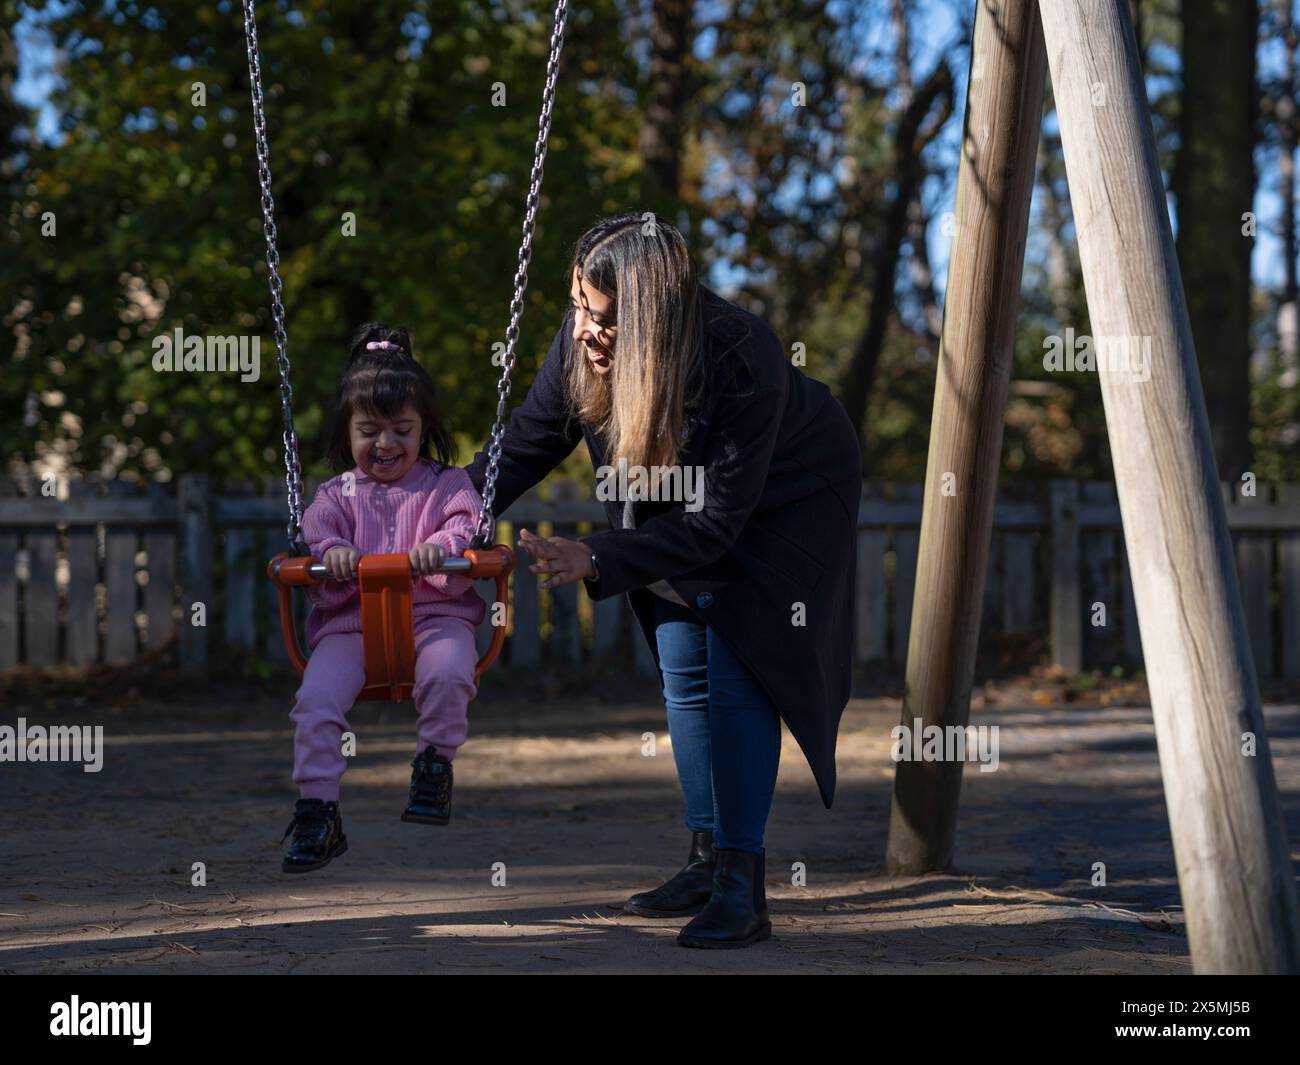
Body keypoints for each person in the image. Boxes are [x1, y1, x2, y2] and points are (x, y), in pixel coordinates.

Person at [467, 213, 862, 948]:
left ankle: (744, 888)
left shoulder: (741, 355)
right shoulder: (582, 341)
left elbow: (716, 526)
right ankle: (706, 859)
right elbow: (519, 447)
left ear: (654, 318)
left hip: (787, 500)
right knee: (684, 668)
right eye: (581, 307)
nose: (587, 329)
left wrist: (597, 558)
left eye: (606, 318)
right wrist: (439, 514)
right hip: (682, 509)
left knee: (738, 663)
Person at [279, 323, 487, 874]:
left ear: (424, 429)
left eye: (402, 429)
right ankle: (318, 810)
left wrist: (442, 546)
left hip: (436, 618)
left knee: (448, 675)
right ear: (347, 432)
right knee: (315, 703)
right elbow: (317, 539)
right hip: (351, 628)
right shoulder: (335, 494)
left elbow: (466, 529)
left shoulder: (449, 485)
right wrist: (334, 552)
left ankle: (434, 766)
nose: (386, 444)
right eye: (370, 430)